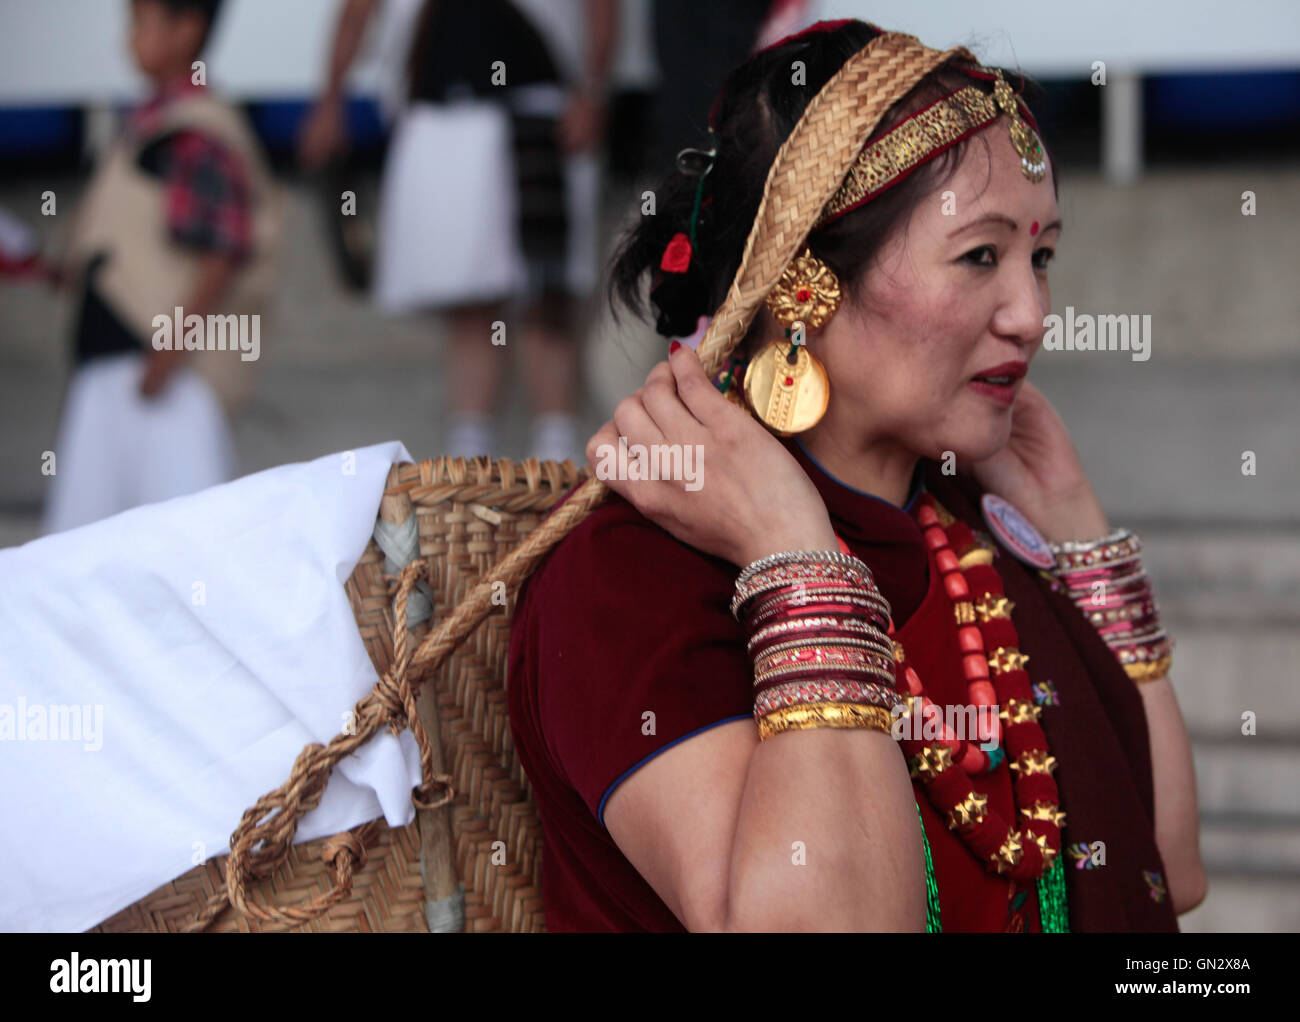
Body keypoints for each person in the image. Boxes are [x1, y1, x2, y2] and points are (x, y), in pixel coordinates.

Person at [506, 20, 1206, 931]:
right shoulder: (631, 571)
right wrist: (798, 559)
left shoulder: (969, 522)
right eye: (980, 257)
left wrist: (1074, 527)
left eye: (1041, 257)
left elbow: (1172, 865)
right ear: (805, 287)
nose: (1032, 315)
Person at [299, 0, 617, 463]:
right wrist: (330, 102)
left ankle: (559, 460)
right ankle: (470, 463)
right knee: (471, 302)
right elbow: (357, 10)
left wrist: (592, 92)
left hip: (542, 112)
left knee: (547, 298)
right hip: (445, 115)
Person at [45, 0, 279, 534]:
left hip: (161, 377)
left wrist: (172, 349)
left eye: (139, 23)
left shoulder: (196, 129)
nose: (128, 39)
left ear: (187, 29)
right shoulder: (148, 125)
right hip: (115, 374)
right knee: (85, 549)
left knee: (185, 547)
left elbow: (222, 249)